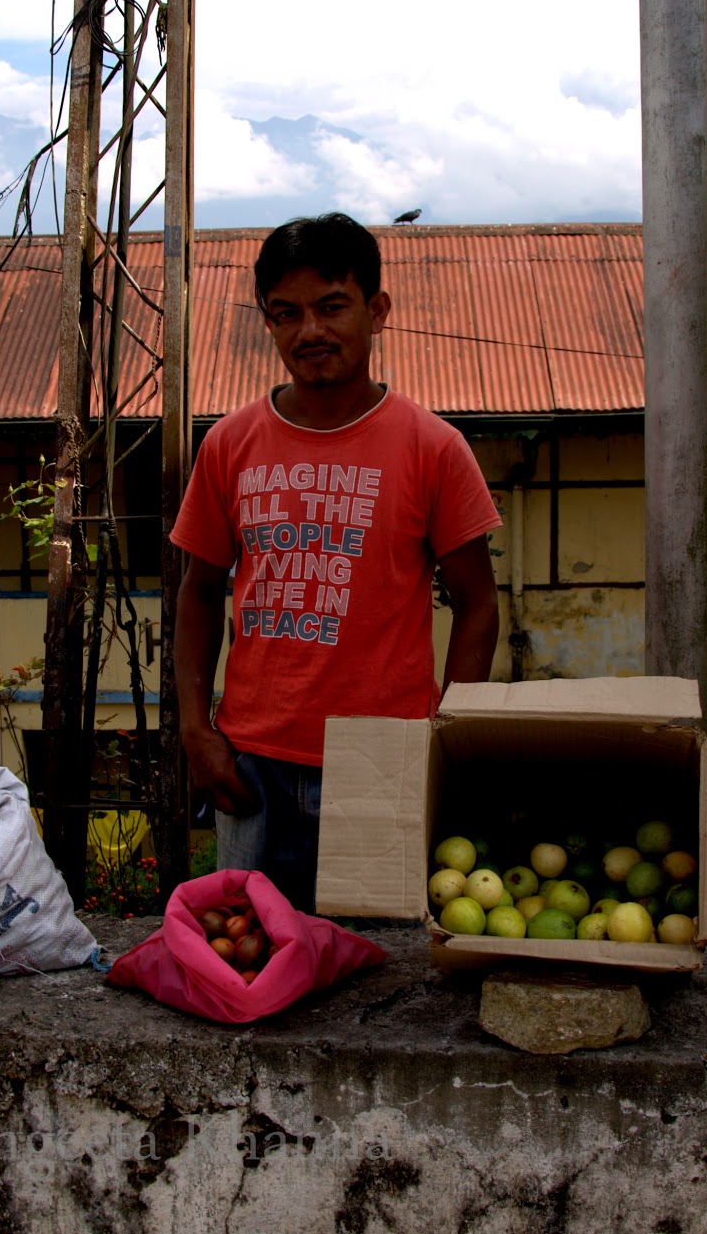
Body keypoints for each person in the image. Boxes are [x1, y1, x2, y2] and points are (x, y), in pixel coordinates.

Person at [171, 212, 502, 912]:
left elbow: (478, 603)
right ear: (267, 322)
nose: (309, 332)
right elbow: (199, 593)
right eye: (285, 314)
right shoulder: (228, 446)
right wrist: (196, 729)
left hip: (382, 765)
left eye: (331, 307)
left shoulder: (433, 448)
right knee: (248, 957)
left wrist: (448, 740)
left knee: (374, 979)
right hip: (250, 766)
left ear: (376, 311)